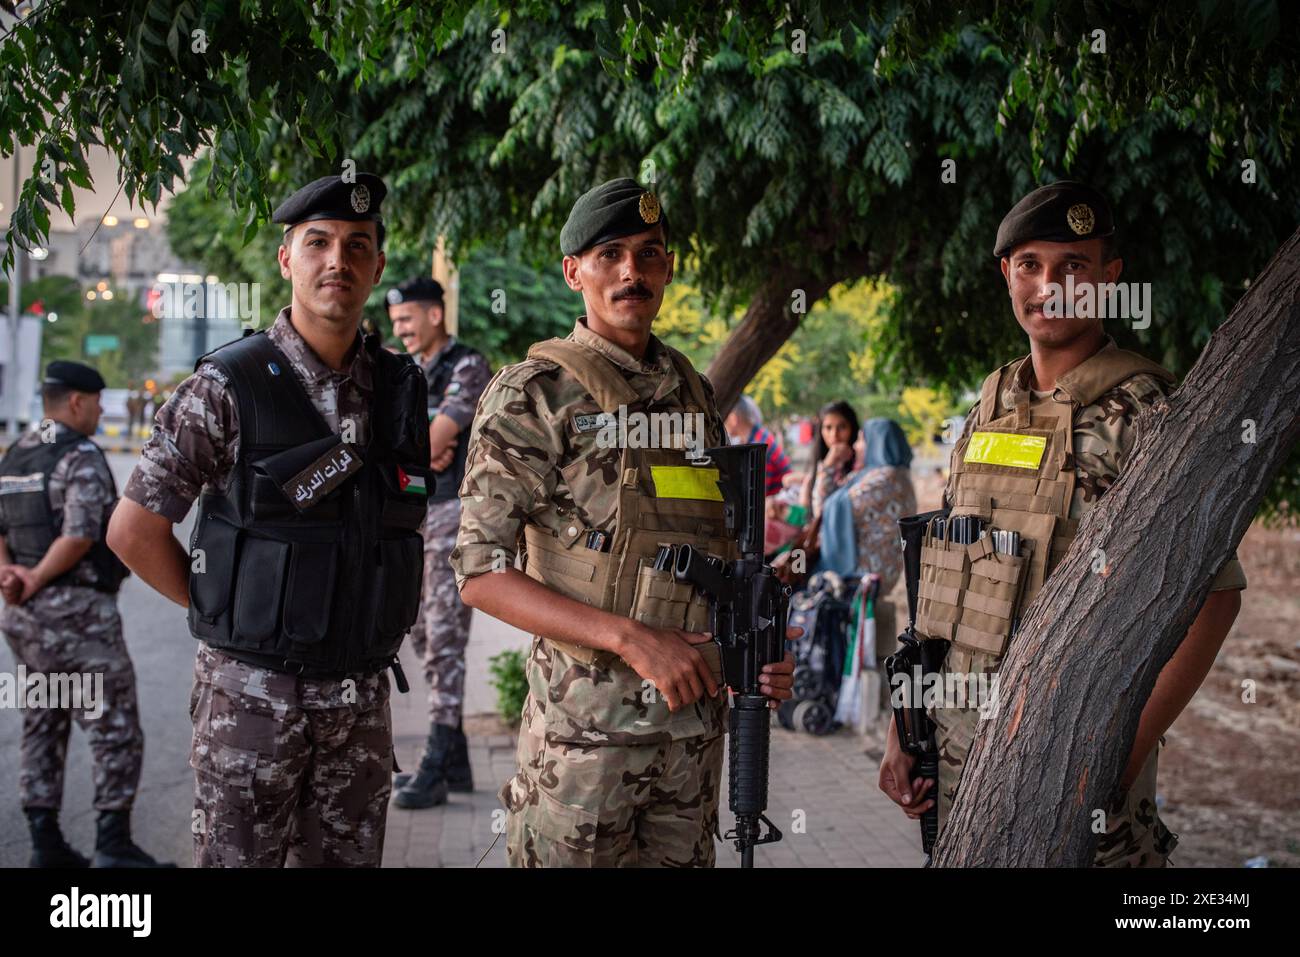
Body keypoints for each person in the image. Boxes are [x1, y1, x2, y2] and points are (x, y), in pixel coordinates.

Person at [876, 181, 1246, 867]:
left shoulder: (1149, 414)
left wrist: (1117, 752)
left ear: (1109, 277)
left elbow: (1214, 599)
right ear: (1005, 274)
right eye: (1031, 265)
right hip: (959, 758)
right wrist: (906, 724)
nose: (1052, 285)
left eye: (1074, 266)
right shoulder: (988, 407)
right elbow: (939, 589)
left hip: (1075, 767)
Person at [451, 177, 798, 867]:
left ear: (667, 267)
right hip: (584, 749)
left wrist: (754, 653)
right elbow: (479, 572)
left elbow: (709, 553)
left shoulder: (693, 392)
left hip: (690, 742)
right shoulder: (535, 394)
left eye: (649, 253)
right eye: (609, 254)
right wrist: (631, 638)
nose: (631, 272)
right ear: (573, 270)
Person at [107, 172, 431, 867]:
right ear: (287, 259)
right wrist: (227, 610)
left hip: (361, 707)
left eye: (356, 245)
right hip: (251, 708)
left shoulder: (400, 387)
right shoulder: (228, 385)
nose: (337, 261)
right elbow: (132, 529)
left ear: (376, 265)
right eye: (317, 243)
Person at [0, 361, 169, 868]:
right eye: (95, 403)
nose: (99, 412)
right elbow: (79, 534)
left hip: (24, 620)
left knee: (43, 722)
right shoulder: (80, 455)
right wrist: (36, 577)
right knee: (114, 725)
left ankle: (44, 844)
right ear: (77, 401)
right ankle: (112, 845)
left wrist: (12, 574)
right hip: (78, 616)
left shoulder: (19, 452)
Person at [385, 276, 492, 808]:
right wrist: (419, 450)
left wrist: (424, 447)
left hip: (454, 515)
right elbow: (399, 443)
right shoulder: (407, 371)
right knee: (423, 633)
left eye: (407, 320)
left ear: (433, 315)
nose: (399, 330)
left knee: (444, 634)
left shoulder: (466, 365)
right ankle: (456, 760)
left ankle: (436, 760)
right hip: (417, 514)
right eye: (395, 321)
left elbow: (438, 438)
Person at [812, 418, 917, 592]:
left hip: (863, 577)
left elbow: (823, 510)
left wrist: (829, 465)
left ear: (877, 442)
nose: (856, 446)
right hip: (877, 571)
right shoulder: (889, 474)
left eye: (861, 440)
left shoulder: (886, 479)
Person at [801, 400, 861, 515]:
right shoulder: (820, 460)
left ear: (852, 428)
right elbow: (808, 514)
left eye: (842, 427)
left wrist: (828, 465)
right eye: (828, 428)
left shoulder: (861, 462)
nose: (834, 434)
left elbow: (821, 510)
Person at [724, 395, 790, 496]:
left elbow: (755, 495)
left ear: (734, 419)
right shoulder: (758, 437)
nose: (723, 423)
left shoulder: (757, 447)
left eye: (725, 418)